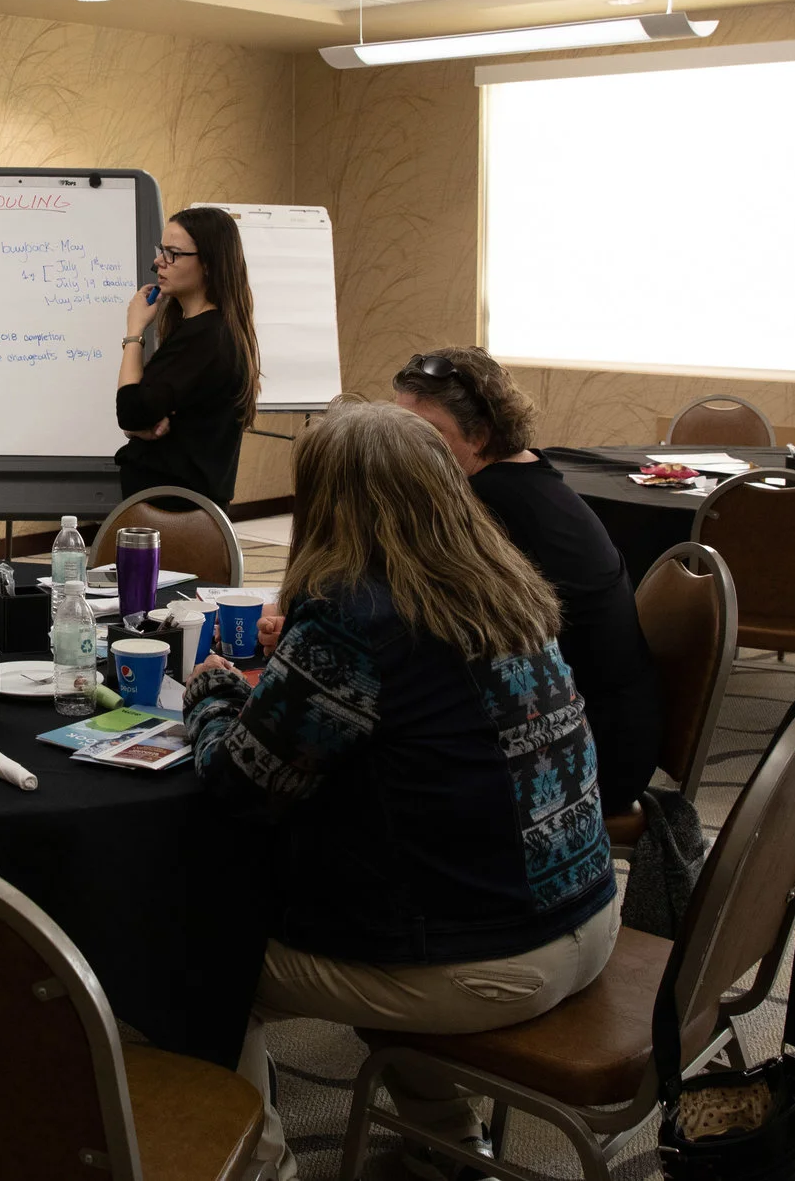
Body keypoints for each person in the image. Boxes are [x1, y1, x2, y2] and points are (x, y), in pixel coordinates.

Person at [186, 402, 616, 1180]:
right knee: (399, 878)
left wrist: (213, 692)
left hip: (485, 960)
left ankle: (260, 1167)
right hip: (587, 914)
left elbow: (238, 785)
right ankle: (447, 1136)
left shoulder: (351, 620)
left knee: (200, 953)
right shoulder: (505, 590)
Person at [392, 348, 663, 814]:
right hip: (613, 734)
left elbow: (420, 630)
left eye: (426, 434)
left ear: (479, 436)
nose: (404, 449)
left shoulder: (488, 504)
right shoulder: (531, 475)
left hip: (585, 758)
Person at [115, 205, 261, 505]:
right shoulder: (199, 330)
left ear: (208, 263)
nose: (158, 262)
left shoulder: (206, 337)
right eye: (162, 250)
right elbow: (140, 414)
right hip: (172, 508)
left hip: (176, 512)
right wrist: (140, 424)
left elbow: (130, 410)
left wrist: (134, 331)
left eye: (173, 254)